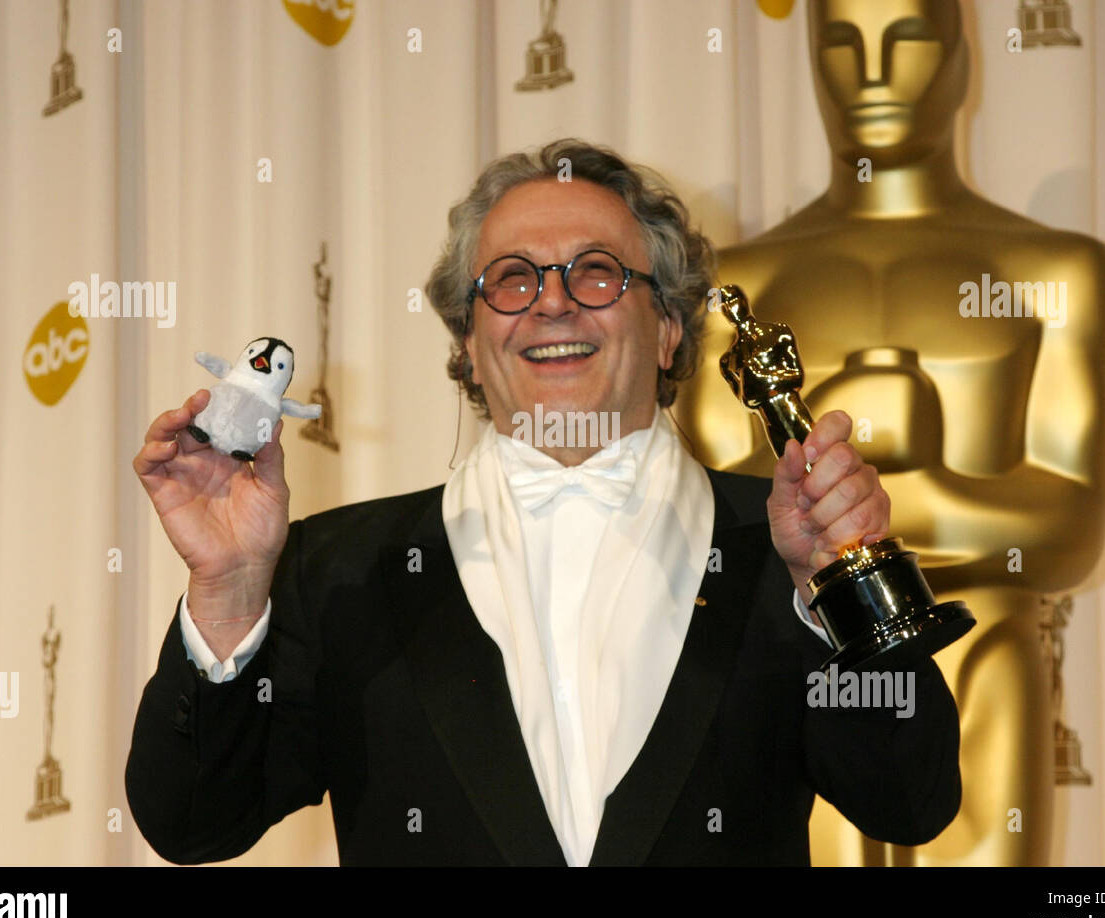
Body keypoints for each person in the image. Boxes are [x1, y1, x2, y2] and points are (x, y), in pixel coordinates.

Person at [126, 139, 961, 866]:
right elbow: (193, 822)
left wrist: (835, 595)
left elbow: (910, 802)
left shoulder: (787, 546)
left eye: (597, 272)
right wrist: (231, 591)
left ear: (669, 326)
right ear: (468, 341)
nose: (553, 302)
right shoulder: (336, 568)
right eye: (513, 280)